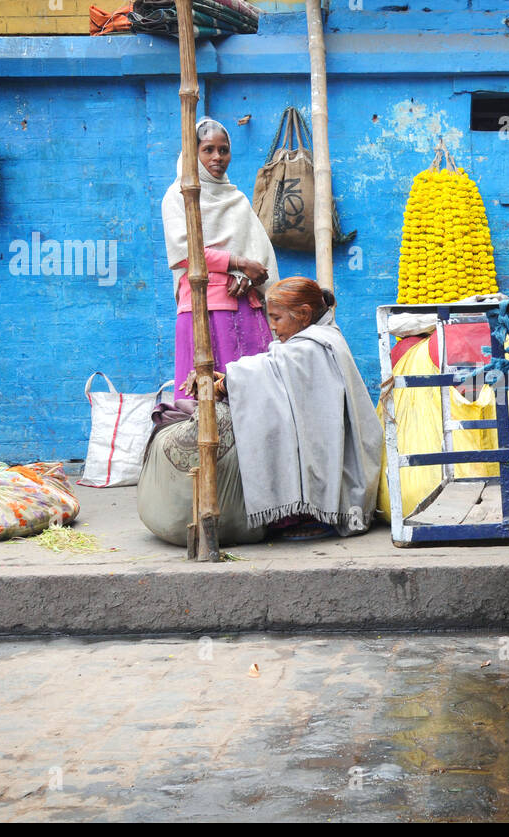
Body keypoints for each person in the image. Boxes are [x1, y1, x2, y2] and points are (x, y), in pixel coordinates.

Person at [220, 278, 383, 540]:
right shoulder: (322, 337)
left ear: (305, 315)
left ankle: (314, 513)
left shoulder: (313, 346)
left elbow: (273, 365)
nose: (272, 328)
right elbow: (275, 365)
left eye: (276, 318)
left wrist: (229, 379)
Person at [162, 117, 278, 394]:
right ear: (193, 153)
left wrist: (250, 275)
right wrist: (238, 264)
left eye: (223, 150)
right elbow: (186, 252)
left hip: (245, 308)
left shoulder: (236, 199)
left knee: (254, 394)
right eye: (208, 150)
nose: (217, 157)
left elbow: (257, 254)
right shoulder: (177, 197)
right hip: (202, 311)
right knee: (203, 399)